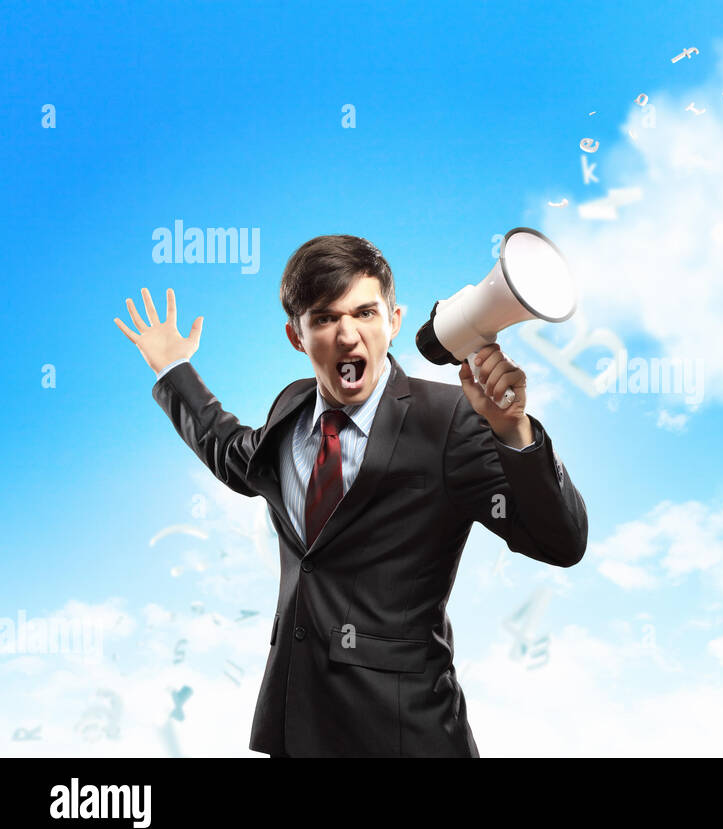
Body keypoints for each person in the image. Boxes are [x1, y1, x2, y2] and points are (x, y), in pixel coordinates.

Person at [113, 234, 588, 756]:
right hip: (295, 728)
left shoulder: (450, 420)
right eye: (324, 319)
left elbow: (560, 542)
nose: (347, 336)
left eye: (365, 313)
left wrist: (513, 433)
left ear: (395, 320)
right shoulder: (291, 409)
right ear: (296, 336)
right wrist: (172, 370)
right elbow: (232, 452)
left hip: (407, 734)